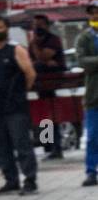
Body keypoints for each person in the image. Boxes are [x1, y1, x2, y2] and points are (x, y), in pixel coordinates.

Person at [0, 14, 39, 196]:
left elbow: (30, 73)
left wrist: (20, 93)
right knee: (2, 146)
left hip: (15, 107)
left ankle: (30, 180)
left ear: (6, 28)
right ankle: (11, 180)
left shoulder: (16, 50)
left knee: (21, 143)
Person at [27, 13, 67, 160]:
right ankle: (49, 146)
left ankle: (57, 147)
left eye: (40, 24)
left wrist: (37, 49)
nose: (37, 27)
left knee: (52, 115)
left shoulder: (53, 40)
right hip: (40, 84)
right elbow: (31, 62)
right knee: (45, 116)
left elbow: (42, 57)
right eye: (35, 25)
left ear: (47, 26)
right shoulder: (33, 43)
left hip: (54, 83)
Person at [75, 1, 98, 188]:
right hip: (93, 95)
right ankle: (91, 171)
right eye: (92, 13)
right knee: (92, 136)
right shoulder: (84, 37)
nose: (95, 16)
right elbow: (82, 61)